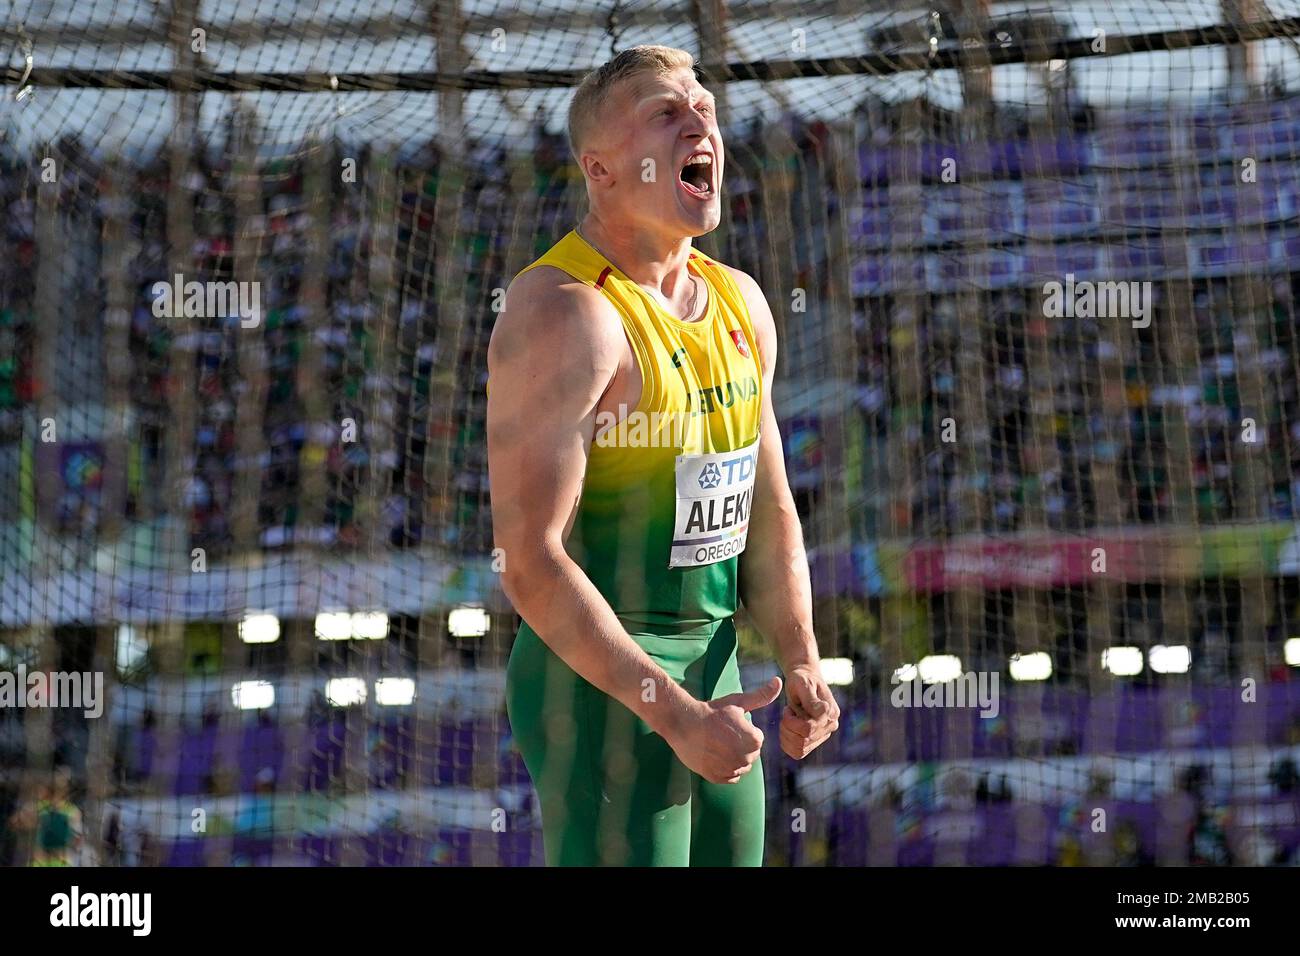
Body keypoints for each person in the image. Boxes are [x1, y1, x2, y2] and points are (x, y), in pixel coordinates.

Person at [487, 45, 839, 866]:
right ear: (601, 168)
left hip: (715, 664)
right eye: (665, 113)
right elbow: (527, 561)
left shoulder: (741, 302)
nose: (699, 123)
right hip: (599, 683)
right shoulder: (567, 312)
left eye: (704, 107)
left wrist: (802, 657)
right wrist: (672, 712)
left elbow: (768, 508)